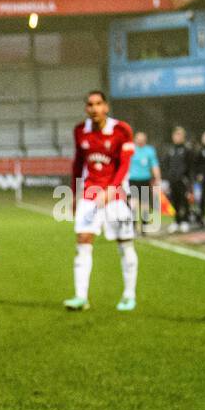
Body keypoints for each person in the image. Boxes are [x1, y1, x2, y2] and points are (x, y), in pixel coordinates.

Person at [66, 90, 137, 312]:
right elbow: (78, 164)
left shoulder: (122, 130)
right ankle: (80, 297)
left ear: (106, 106)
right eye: (90, 104)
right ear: (86, 108)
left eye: (98, 104)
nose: (94, 108)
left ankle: (128, 295)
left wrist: (111, 190)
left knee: (124, 244)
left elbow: (124, 165)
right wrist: (74, 193)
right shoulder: (80, 131)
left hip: (116, 196)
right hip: (89, 194)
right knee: (83, 242)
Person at [161, 127, 196, 233]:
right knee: (174, 201)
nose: (177, 137)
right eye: (176, 135)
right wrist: (166, 178)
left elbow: (191, 166)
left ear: (183, 137)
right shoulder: (170, 150)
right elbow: (165, 164)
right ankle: (177, 221)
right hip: (172, 180)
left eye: (180, 135)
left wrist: (190, 180)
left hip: (183, 180)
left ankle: (185, 221)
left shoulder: (187, 150)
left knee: (184, 201)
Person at [126, 130, 161, 233]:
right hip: (133, 180)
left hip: (145, 180)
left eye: (142, 139)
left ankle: (144, 226)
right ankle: (133, 226)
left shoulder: (149, 151)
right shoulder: (131, 150)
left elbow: (154, 165)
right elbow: (125, 165)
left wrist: (158, 178)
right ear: (135, 139)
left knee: (145, 204)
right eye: (138, 139)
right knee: (133, 204)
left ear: (145, 140)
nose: (140, 141)